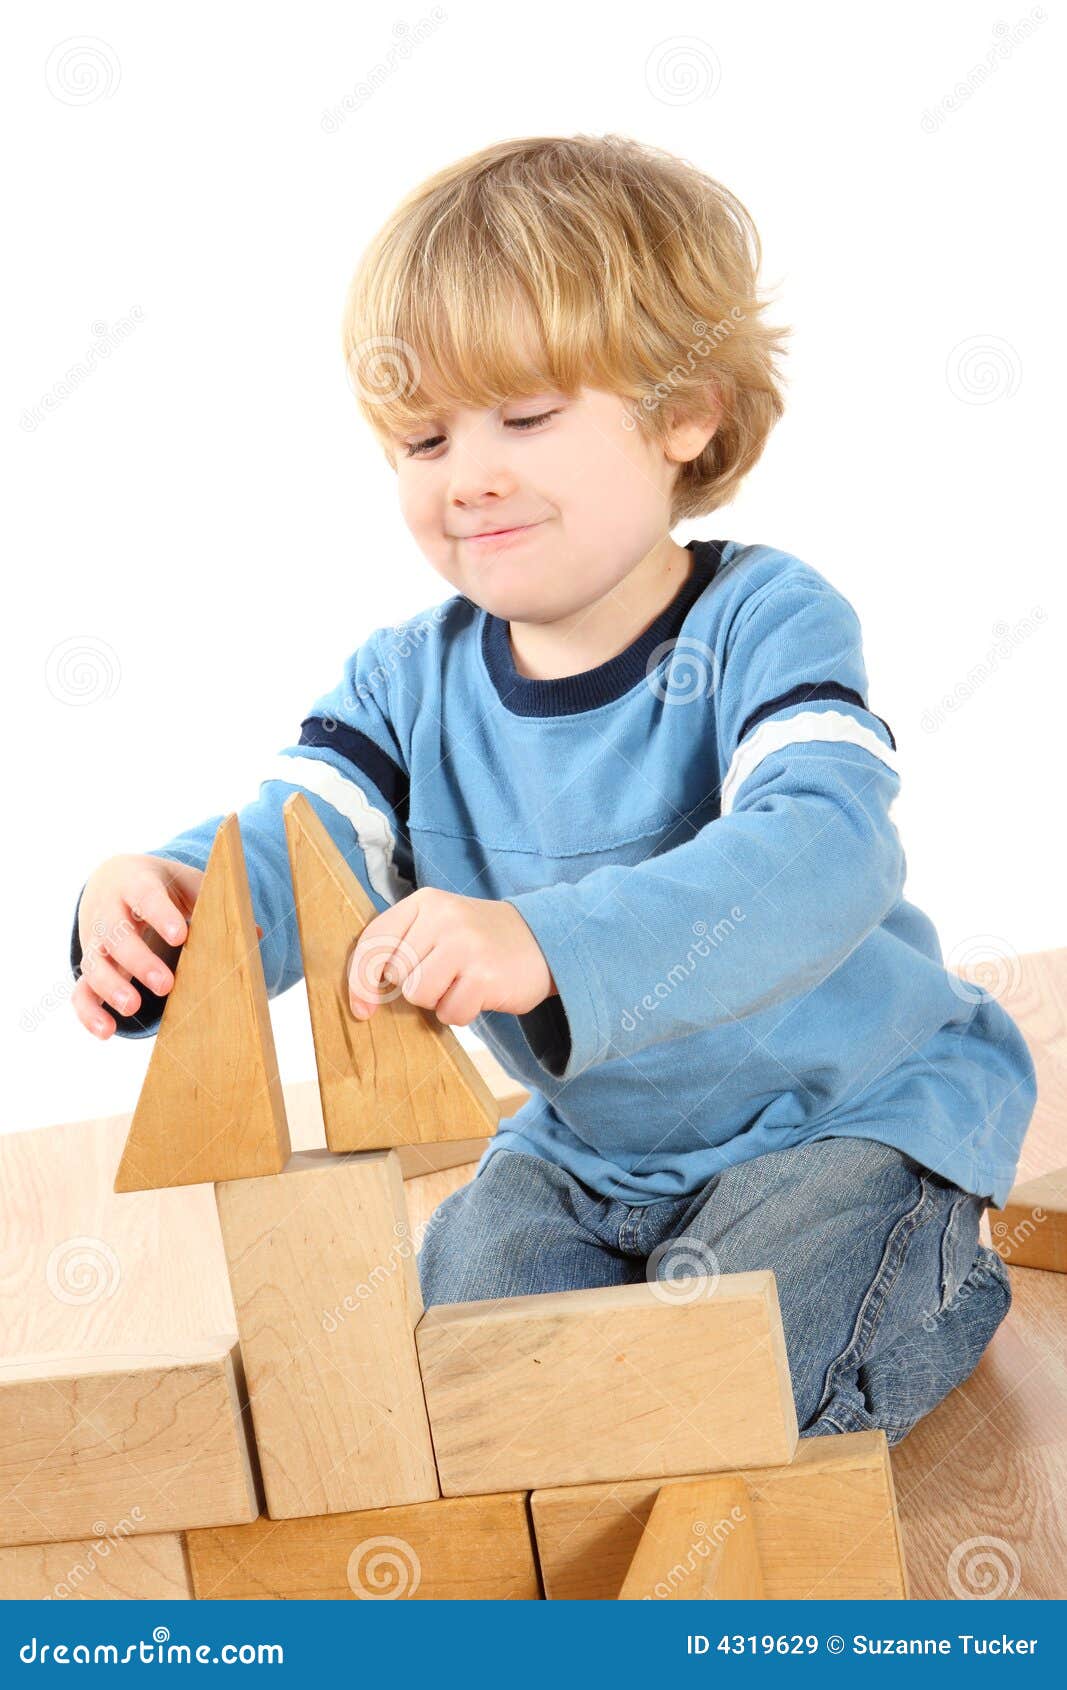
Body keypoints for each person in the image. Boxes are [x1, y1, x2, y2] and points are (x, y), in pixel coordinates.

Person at [70, 133, 1036, 1445]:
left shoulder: (765, 621)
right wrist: (173, 906)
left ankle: (937, 1266)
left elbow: (824, 850)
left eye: (524, 418)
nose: (467, 471)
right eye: (424, 434)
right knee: (466, 1375)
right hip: (588, 1149)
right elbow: (297, 846)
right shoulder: (408, 681)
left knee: (736, 1370)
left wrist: (542, 940)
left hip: (840, 1117)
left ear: (683, 412)